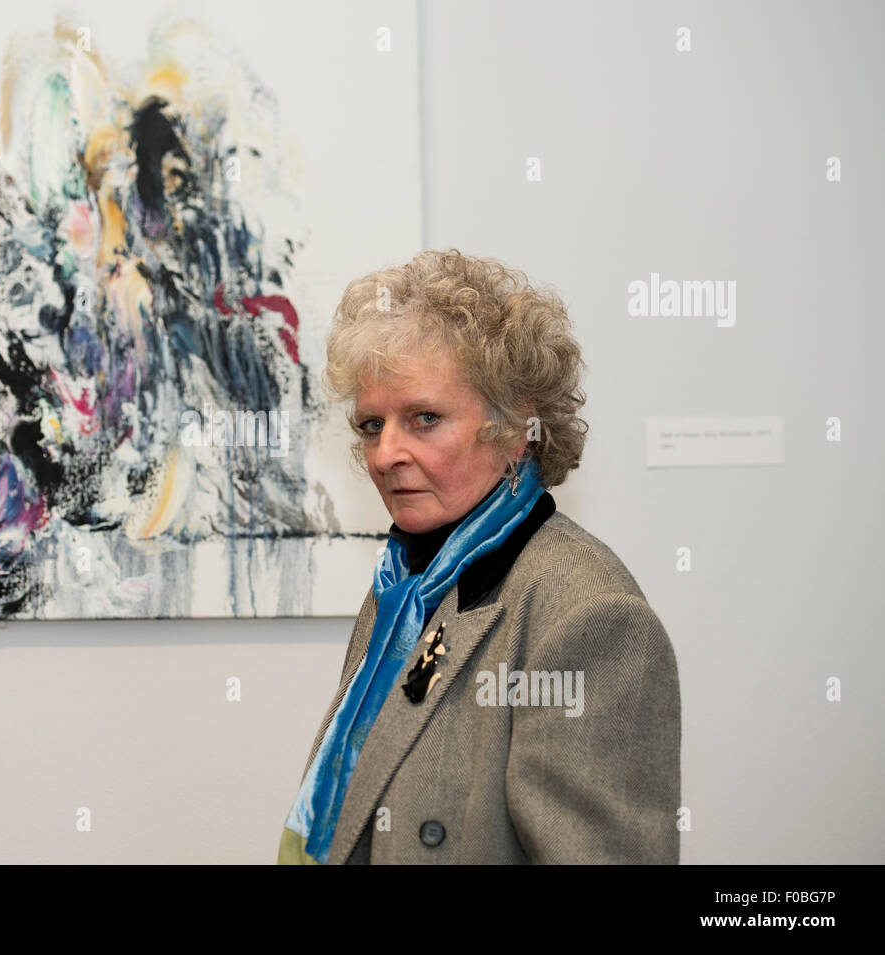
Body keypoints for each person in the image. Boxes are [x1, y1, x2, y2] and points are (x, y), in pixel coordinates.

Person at [278, 249, 681, 864]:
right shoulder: (409, 583)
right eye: (370, 425)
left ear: (517, 428)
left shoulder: (589, 616)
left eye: (424, 418)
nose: (385, 454)